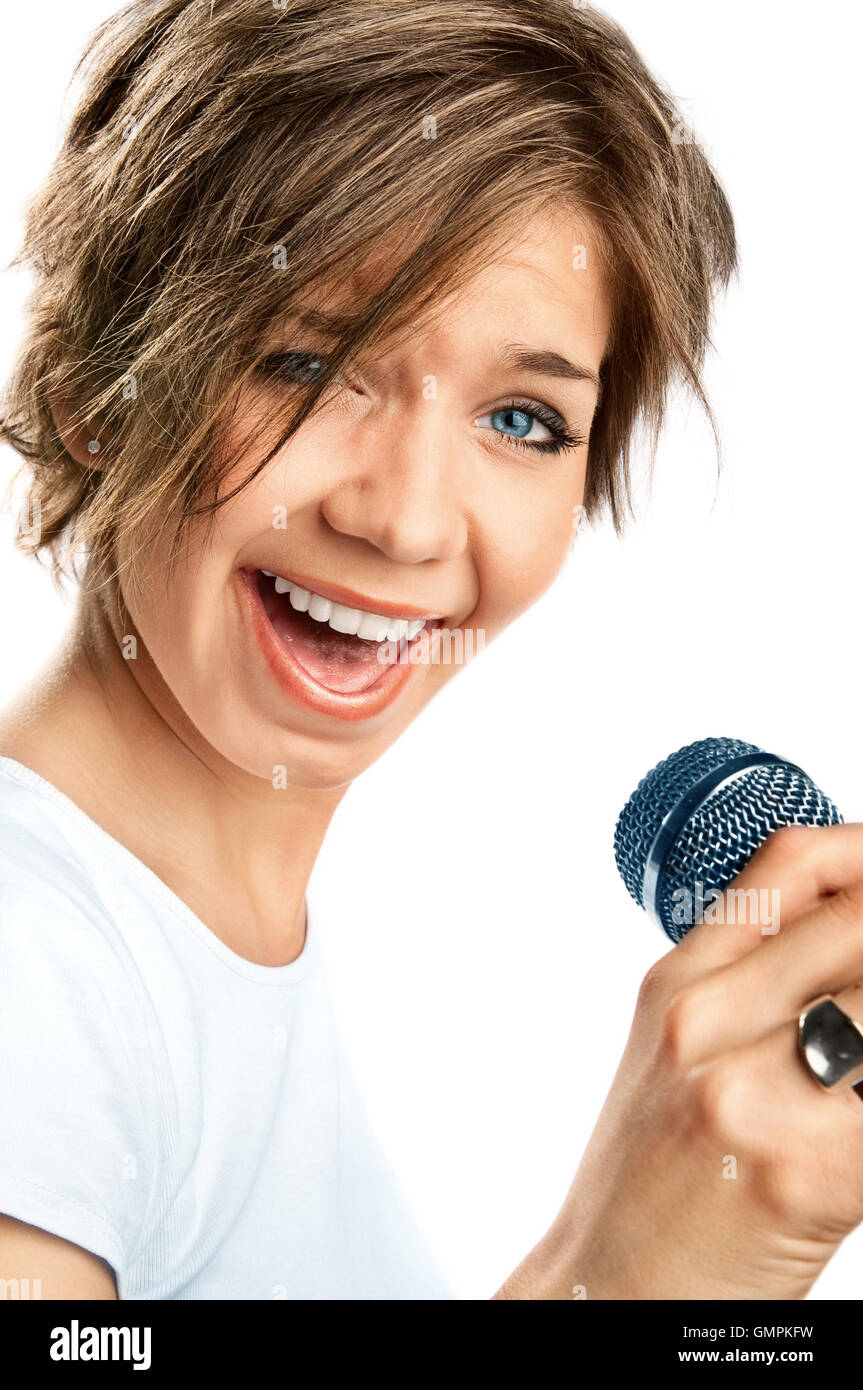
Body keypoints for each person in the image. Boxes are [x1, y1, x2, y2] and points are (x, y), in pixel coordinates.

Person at [3, 0, 859, 1303]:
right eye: (309, 360)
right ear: (91, 394)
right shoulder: (33, 970)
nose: (403, 518)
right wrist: (613, 1279)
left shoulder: (196, 939)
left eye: (522, 416)